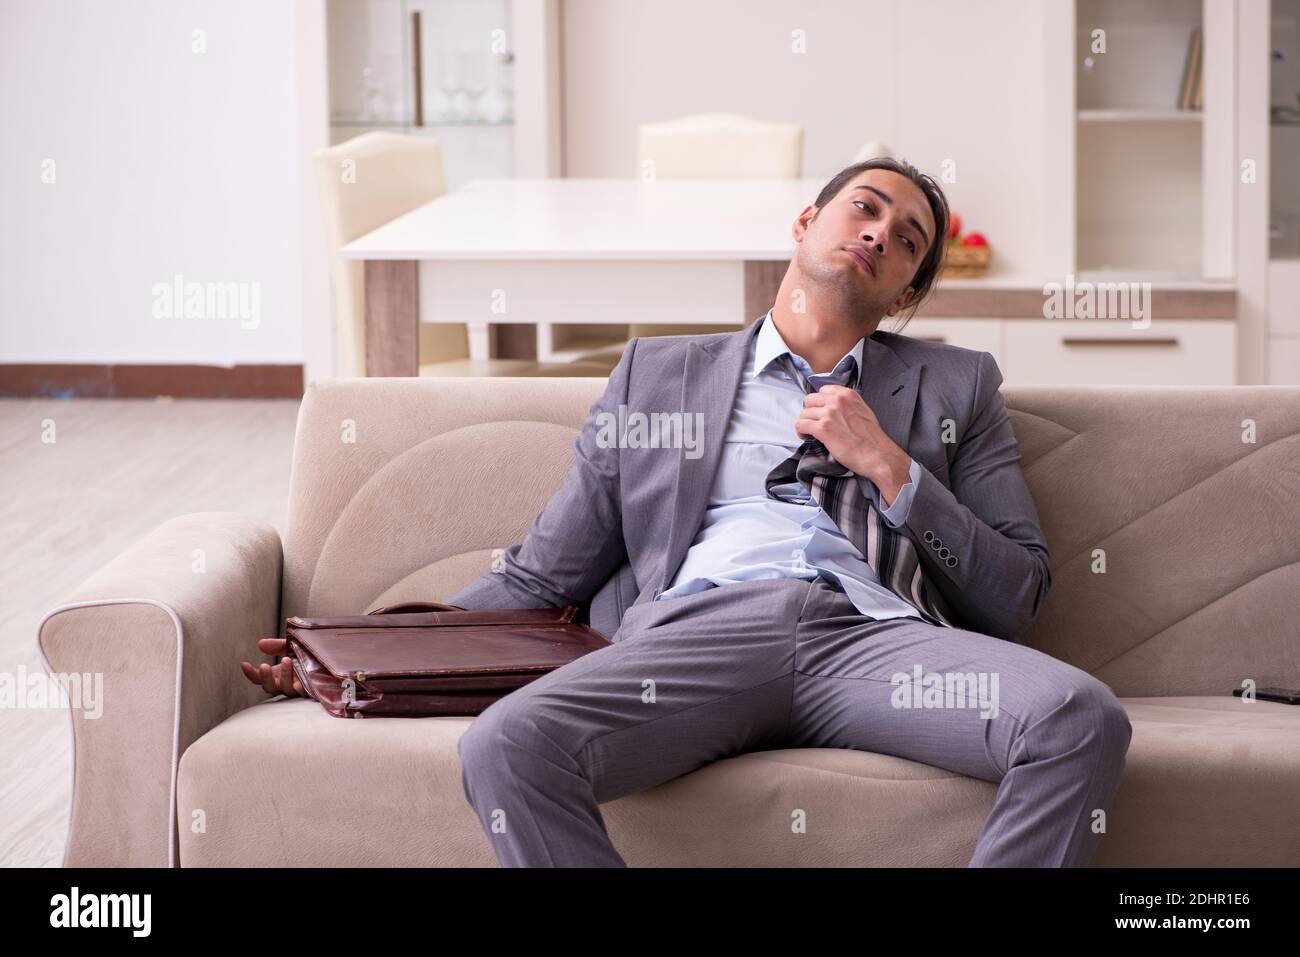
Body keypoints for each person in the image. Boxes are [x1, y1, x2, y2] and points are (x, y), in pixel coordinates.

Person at [242, 157, 1132, 868]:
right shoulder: (658, 376)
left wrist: (893, 469)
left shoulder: (958, 385)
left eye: (906, 241)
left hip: (874, 641)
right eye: (863, 208)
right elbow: (544, 571)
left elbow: (1017, 592)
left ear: (904, 295)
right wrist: (353, 651)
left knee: (1077, 717)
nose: (877, 233)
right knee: (508, 747)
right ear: (805, 225)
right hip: (696, 636)